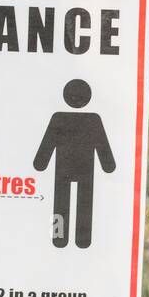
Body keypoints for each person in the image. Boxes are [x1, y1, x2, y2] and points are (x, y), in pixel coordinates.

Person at [33, 79, 115, 248]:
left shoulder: (60, 118)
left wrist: (40, 162)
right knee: (83, 204)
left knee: (61, 204)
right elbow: (103, 146)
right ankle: (81, 239)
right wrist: (108, 165)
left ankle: (60, 238)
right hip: (84, 170)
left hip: (64, 169)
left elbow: (48, 143)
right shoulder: (93, 119)